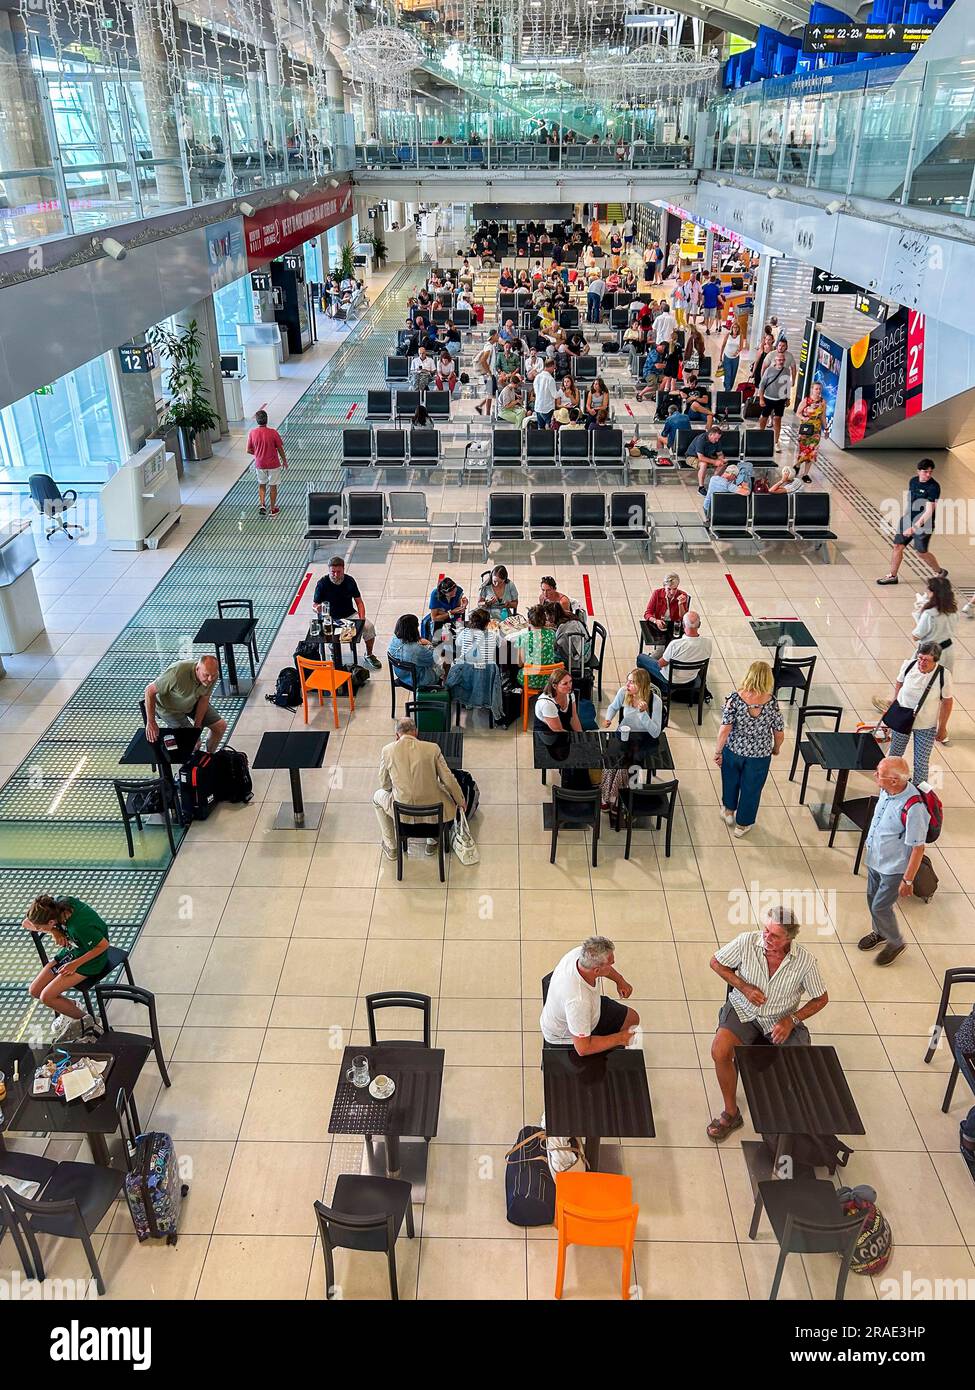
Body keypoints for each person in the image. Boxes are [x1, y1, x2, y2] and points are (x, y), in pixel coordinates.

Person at [706, 909, 829, 1141]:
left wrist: (791, 1020)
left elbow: (821, 999)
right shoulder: (746, 941)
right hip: (744, 1011)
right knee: (719, 1051)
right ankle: (731, 1113)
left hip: (780, 1018)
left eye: (775, 936)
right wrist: (743, 987)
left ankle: (787, 1120)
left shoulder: (805, 962)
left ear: (789, 939)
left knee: (799, 1067)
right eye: (766, 930)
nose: (766, 938)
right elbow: (716, 963)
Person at [859, 756, 931, 968]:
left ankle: (896, 942)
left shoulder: (914, 808)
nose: (875, 776)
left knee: (881, 906)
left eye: (879, 774)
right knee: (872, 899)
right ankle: (880, 932)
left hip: (894, 868)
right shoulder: (887, 790)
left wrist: (908, 880)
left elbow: (918, 848)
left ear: (893, 780)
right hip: (875, 859)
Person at [373, 717, 466, 860]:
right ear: (416, 732)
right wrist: (460, 800)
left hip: (402, 813)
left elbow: (384, 784)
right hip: (434, 812)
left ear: (397, 735)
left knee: (377, 797)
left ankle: (391, 846)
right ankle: (432, 841)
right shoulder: (432, 748)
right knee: (440, 788)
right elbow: (448, 779)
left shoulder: (387, 751)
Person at [23, 895, 111, 1041]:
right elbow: (26, 923)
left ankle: (90, 1023)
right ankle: (71, 1007)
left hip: (90, 961)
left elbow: (103, 945)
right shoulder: (57, 907)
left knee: (47, 996)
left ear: (51, 921)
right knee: (35, 990)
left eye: (40, 928)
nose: (38, 930)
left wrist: (74, 965)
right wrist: (54, 931)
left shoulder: (79, 927)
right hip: (72, 952)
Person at [714, 660, 784, 837]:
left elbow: (725, 729)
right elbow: (779, 732)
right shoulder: (772, 703)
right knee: (751, 788)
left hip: (734, 749)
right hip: (759, 755)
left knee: (730, 780)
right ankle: (742, 825)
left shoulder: (735, 699)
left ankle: (729, 812)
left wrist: (718, 751)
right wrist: (776, 748)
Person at [540, 936, 639, 1055]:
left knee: (632, 1018)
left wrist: (620, 980)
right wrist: (621, 1038)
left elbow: (603, 968)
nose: (613, 963)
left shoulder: (580, 954)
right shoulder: (579, 1001)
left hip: (588, 1009)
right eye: (610, 962)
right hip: (565, 1036)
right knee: (625, 1030)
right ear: (596, 971)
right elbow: (583, 1048)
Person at [875, 641, 952, 783]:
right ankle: (888, 785)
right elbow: (900, 682)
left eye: (926, 660)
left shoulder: (943, 675)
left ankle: (919, 794)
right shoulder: (909, 665)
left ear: (935, 660)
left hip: (926, 725)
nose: (921, 662)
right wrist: (895, 702)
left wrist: (942, 728)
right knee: (894, 756)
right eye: (920, 658)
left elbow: (947, 702)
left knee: (921, 763)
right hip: (902, 719)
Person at [600, 669, 663, 810]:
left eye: (632, 682)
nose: (627, 684)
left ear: (642, 685)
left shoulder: (655, 702)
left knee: (625, 767)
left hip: (644, 740)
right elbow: (613, 707)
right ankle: (606, 795)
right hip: (624, 734)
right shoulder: (624, 692)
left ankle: (617, 797)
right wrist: (608, 718)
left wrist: (643, 714)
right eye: (627, 680)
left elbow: (655, 732)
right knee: (610, 763)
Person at [877, 458, 945, 585]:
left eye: (931, 472)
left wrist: (914, 528)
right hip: (908, 519)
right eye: (925, 471)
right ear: (918, 471)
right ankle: (892, 576)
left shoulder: (934, 487)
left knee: (921, 552)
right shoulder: (913, 481)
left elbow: (929, 512)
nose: (928, 475)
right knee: (897, 546)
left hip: (925, 523)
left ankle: (939, 571)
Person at [144, 655, 226, 753]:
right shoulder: (177, 673)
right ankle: (190, 765)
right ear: (197, 669)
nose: (210, 679)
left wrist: (197, 725)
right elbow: (149, 690)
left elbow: (204, 699)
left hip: (192, 701)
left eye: (213, 675)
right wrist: (151, 722)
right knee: (194, 742)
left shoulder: (212, 675)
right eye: (206, 675)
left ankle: (208, 757)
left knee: (220, 726)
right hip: (170, 709)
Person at [312, 557, 381, 669]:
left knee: (369, 627)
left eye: (338, 572)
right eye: (332, 572)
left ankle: (369, 654)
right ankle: (335, 657)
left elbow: (359, 602)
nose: (335, 575)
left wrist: (361, 620)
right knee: (333, 640)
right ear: (329, 570)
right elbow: (314, 605)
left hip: (349, 614)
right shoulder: (322, 584)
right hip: (331, 618)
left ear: (343, 569)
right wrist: (317, 608)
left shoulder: (350, 581)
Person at [637, 610, 711, 693]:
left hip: (671, 679)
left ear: (683, 625)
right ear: (699, 624)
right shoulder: (708, 643)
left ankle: (649, 687)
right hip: (691, 678)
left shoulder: (675, 644)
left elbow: (660, 664)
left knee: (641, 658)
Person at [912, 575, 958, 680]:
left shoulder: (929, 614)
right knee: (943, 681)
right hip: (948, 650)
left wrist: (919, 614)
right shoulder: (953, 610)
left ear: (933, 593)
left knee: (923, 682)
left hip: (930, 654)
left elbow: (916, 636)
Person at [246, 409, 287, 517]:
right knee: (273, 486)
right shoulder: (273, 432)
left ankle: (262, 504)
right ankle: (273, 509)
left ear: (257, 421)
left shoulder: (252, 433)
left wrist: (258, 454)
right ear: (266, 420)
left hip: (259, 464)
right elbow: (280, 448)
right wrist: (284, 461)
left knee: (262, 484)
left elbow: (248, 450)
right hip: (273, 464)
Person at [757, 342, 796, 450]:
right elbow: (762, 385)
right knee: (764, 417)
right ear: (775, 360)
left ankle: (776, 441)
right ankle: (760, 435)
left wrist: (788, 398)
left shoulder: (787, 371)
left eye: (783, 360)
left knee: (777, 419)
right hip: (768, 398)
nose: (781, 362)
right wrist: (761, 398)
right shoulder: (769, 370)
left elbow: (787, 385)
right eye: (779, 360)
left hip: (780, 399)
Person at [387, 613, 441, 690]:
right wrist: (430, 645)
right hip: (418, 680)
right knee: (444, 661)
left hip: (401, 675)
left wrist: (418, 641)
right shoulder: (417, 650)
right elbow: (433, 660)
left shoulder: (394, 639)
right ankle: (445, 686)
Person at [642, 572, 689, 653]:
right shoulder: (657, 593)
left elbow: (683, 618)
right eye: (669, 589)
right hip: (660, 625)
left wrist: (680, 604)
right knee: (664, 651)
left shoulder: (682, 595)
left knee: (673, 650)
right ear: (664, 587)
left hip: (675, 627)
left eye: (675, 589)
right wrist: (656, 621)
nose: (672, 592)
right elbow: (647, 613)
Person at [515, 604, 558, 689]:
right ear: (545, 620)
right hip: (549, 679)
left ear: (529, 621)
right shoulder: (552, 634)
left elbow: (519, 664)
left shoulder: (523, 638)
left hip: (530, 680)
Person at [795, 380, 827, 482]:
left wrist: (826, 428)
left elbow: (823, 416)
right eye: (816, 389)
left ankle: (805, 474)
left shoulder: (822, 402)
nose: (818, 391)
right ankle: (797, 464)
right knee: (803, 450)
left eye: (819, 389)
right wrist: (804, 418)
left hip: (816, 430)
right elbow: (798, 413)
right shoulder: (806, 401)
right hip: (805, 428)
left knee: (812, 452)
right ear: (812, 390)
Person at [690, 424, 727, 493]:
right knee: (703, 464)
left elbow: (720, 454)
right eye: (715, 438)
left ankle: (713, 483)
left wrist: (721, 460)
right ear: (710, 435)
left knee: (723, 464)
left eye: (718, 438)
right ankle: (701, 488)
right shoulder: (701, 439)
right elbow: (700, 457)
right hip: (692, 457)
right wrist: (715, 462)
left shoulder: (717, 440)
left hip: (707, 456)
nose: (717, 440)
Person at [717, 321, 743, 394]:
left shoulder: (740, 336)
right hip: (727, 357)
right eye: (734, 327)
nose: (735, 329)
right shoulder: (728, 335)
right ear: (732, 328)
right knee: (728, 374)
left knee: (733, 375)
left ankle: (728, 388)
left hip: (735, 358)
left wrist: (737, 352)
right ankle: (727, 391)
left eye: (737, 328)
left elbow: (741, 347)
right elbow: (723, 345)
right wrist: (720, 356)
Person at [531, 359, 558, 427]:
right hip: (547, 408)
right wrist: (561, 391)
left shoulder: (537, 377)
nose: (554, 369)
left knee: (540, 429)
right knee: (549, 429)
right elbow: (555, 395)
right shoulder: (550, 379)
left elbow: (536, 392)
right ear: (551, 366)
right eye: (554, 367)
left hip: (538, 407)